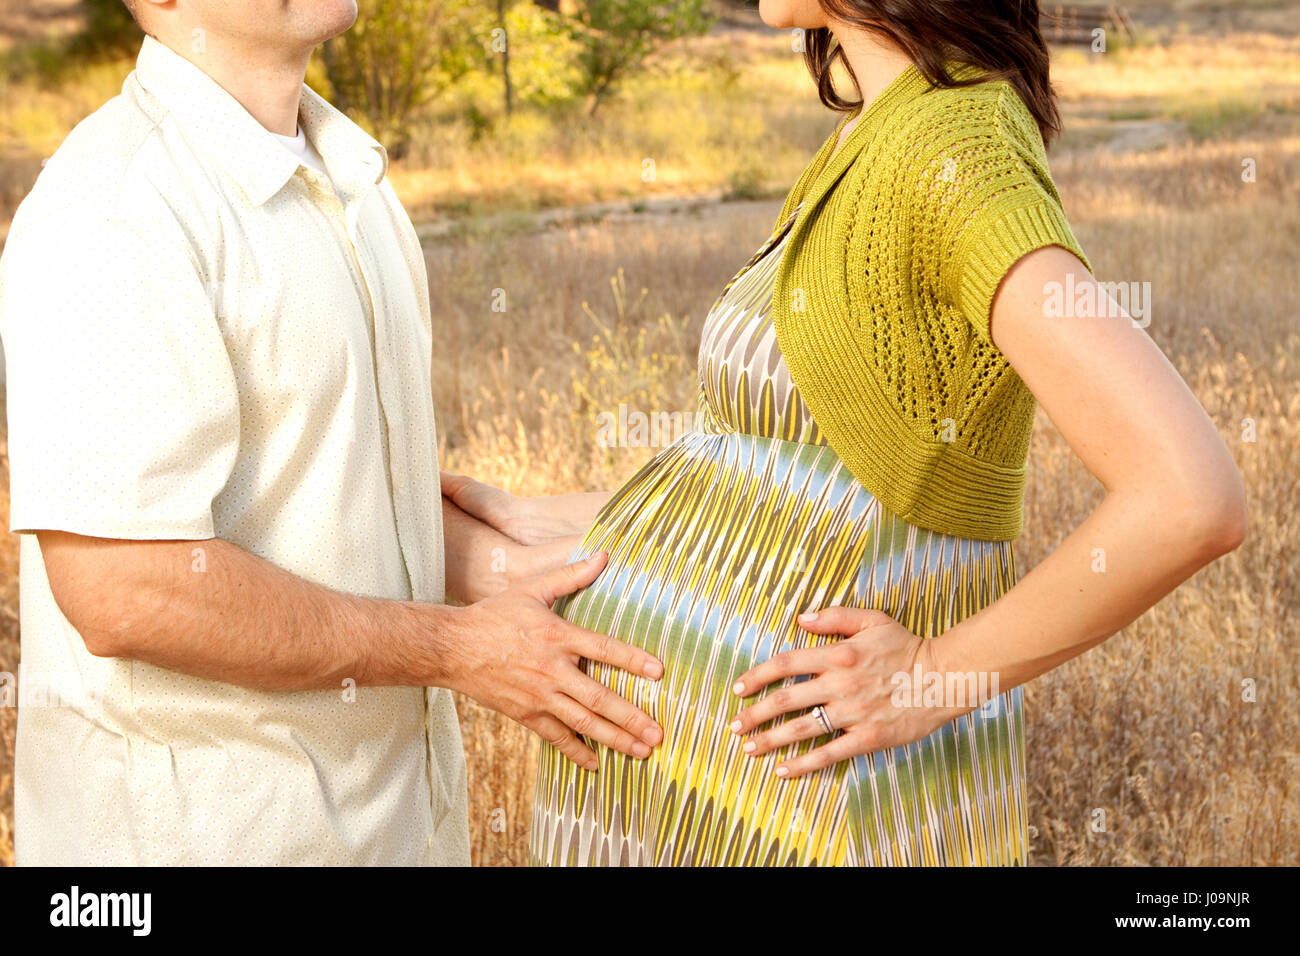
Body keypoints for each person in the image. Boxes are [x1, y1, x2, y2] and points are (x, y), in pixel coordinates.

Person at [445, 0, 1247, 866]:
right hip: (699, 778)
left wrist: (929, 678)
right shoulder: (875, 129)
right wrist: (587, 518)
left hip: (805, 794)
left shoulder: (954, 148)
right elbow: (807, 474)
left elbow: (1189, 497)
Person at [0, 0, 664, 866]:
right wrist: (459, 648)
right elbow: (129, 586)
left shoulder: (351, 172)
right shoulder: (114, 209)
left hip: (394, 831)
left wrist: (513, 562)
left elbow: (313, 478)